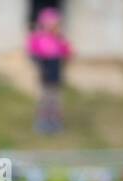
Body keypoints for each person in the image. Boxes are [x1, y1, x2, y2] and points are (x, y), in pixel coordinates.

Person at [27, 7, 71, 135]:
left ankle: (55, 123)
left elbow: (66, 53)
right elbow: (33, 52)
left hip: (56, 75)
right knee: (45, 100)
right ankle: (43, 122)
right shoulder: (39, 38)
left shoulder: (59, 39)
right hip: (45, 75)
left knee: (55, 100)